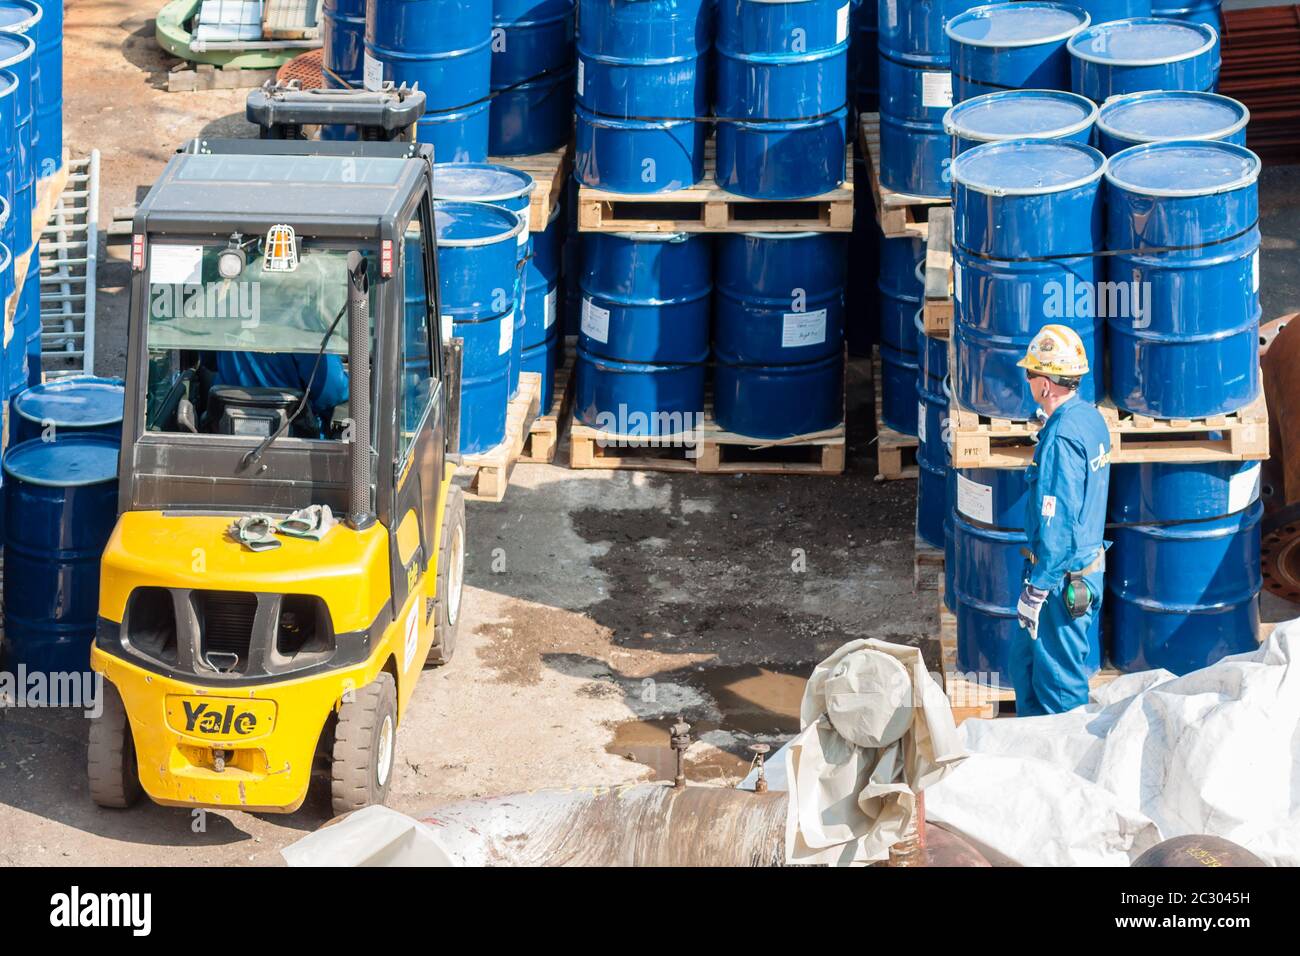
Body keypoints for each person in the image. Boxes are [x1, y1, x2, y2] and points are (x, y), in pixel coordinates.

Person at [1009, 325, 1111, 716]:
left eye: (1031, 374)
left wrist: (1038, 589)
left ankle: (1066, 770)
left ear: (1047, 384)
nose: (1028, 380)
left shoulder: (1061, 440)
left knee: (1060, 693)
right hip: (1071, 572)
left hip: (1059, 582)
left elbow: (1059, 525)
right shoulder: (1089, 419)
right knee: (1025, 669)